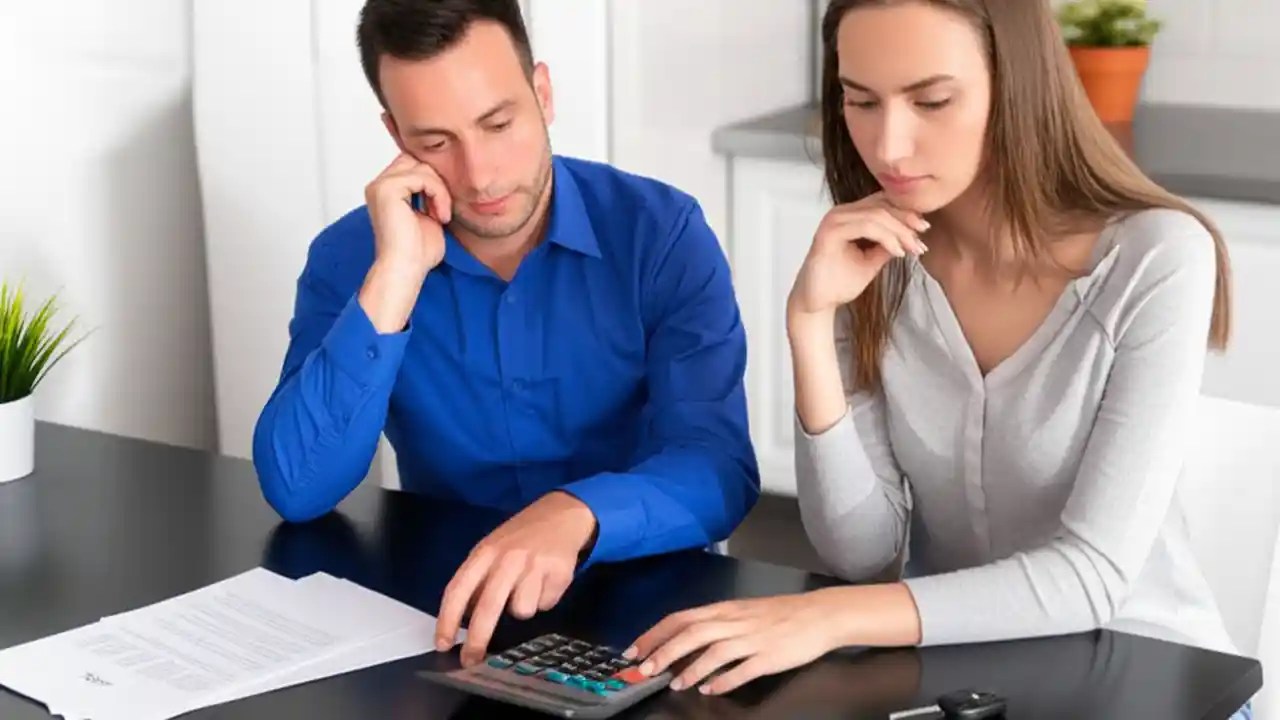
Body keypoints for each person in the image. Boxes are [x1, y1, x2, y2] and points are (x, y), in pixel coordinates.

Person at [623, 2, 1251, 717]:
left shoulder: (1156, 258)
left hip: (1151, 680)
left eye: (932, 100)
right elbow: (861, 553)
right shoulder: (876, 261)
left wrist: (827, 618)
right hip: (960, 685)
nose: (889, 147)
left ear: (1016, 86)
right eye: (860, 101)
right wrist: (810, 321)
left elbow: (1091, 576)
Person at [251, 0, 760, 668]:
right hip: (443, 615)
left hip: (642, 597)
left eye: (498, 122)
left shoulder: (660, 233)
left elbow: (717, 466)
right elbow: (297, 487)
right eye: (435, 142)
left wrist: (573, 513)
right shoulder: (355, 257)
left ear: (542, 93)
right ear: (394, 133)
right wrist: (396, 277)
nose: (480, 174)